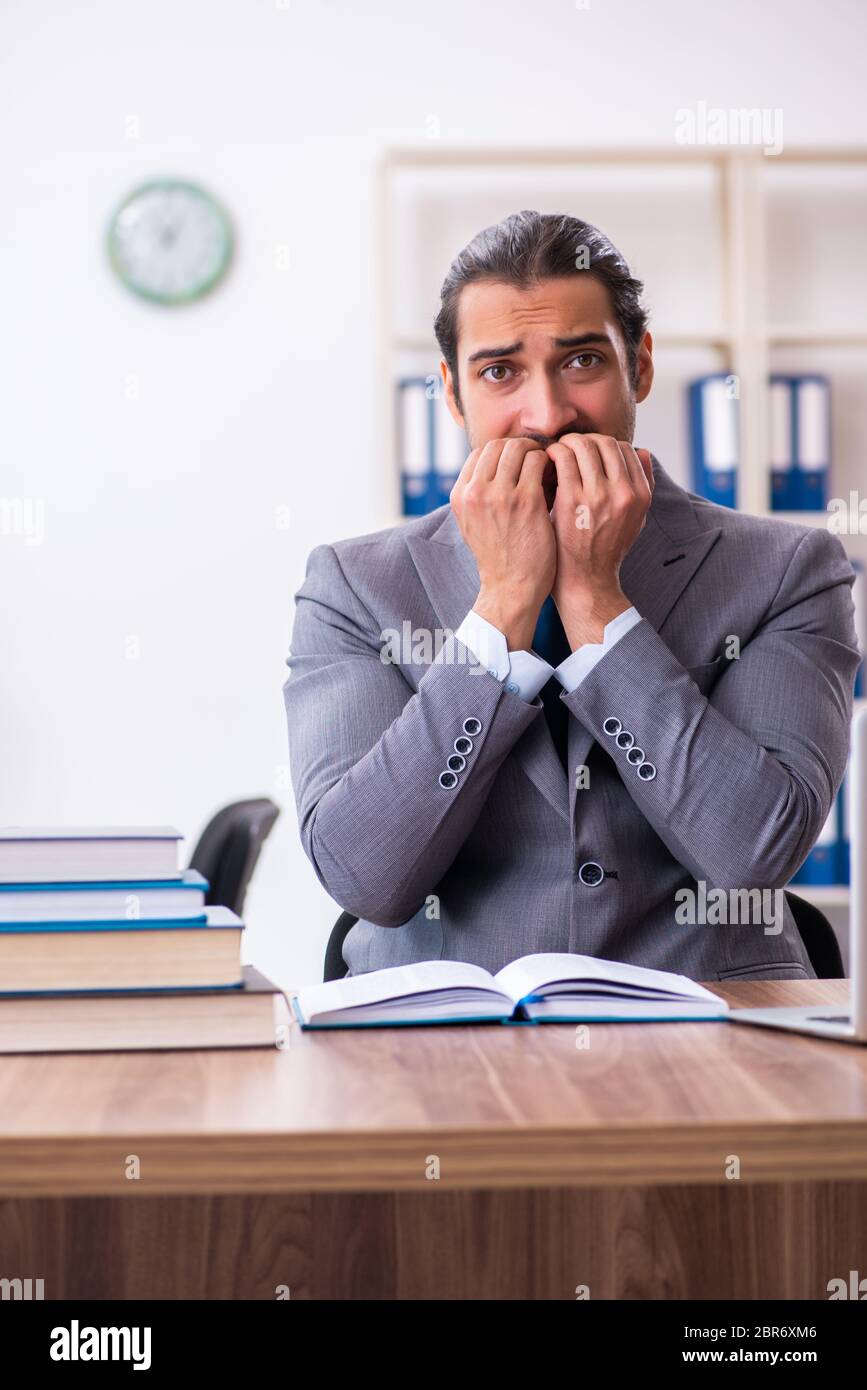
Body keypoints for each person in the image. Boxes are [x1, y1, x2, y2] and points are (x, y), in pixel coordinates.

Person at [283, 210, 860, 981]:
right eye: (498, 373)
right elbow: (364, 879)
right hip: (437, 1049)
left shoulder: (787, 568)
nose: (547, 415)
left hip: (713, 1034)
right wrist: (502, 609)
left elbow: (754, 858)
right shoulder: (352, 587)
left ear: (640, 368)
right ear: (452, 395)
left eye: (581, 361)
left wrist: (597, 607)